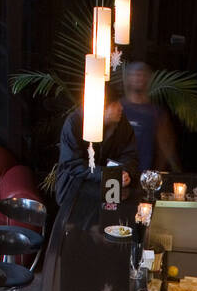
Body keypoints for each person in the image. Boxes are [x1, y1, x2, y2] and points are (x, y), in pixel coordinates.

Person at [56, 79, 140, 210]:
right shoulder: (74, 123)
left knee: (114, 222)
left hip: (111, 187)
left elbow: (130, 155)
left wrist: (126, 172)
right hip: (75, 188)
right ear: (102, 107)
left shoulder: (121, 123)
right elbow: (72, 164)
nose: (121, 108)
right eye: (116, 104)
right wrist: (105, 173)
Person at [121, 62, 180, 172]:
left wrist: (158, 173)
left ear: (148, 78)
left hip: (147, 176)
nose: (138, 78)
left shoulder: (157, 113)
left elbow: (166, 146)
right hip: (121, 175)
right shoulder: (118, 109)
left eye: (142, 75)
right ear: (128, 78)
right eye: (134, 74)